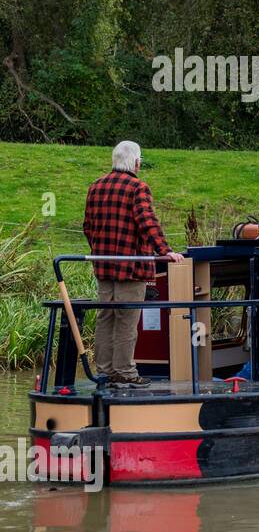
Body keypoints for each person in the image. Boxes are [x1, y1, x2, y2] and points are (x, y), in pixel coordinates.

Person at [82, 141, 185, 387]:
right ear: (136, 162)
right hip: (131, 267)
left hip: (104, 266)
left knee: (106, 317)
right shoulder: (137, 187)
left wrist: (98, 251)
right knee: (127, 319)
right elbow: (147, 222)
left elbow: (87, 227)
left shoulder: (95, 186)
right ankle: (125, 372)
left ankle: (104, 371)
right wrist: (165, 251)